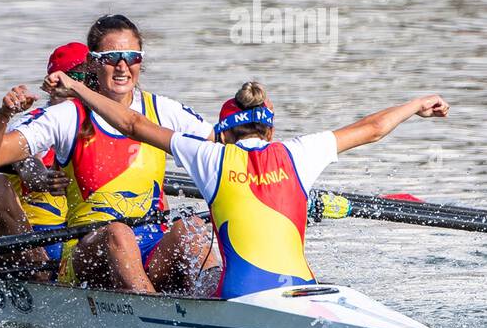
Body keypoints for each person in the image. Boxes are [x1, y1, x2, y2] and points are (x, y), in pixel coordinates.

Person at [47, 74, 450, 297]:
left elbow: (131, 123)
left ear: (223, 133)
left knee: (201, 254)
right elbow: (373, 128)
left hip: (237, 293)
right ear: (271, 127)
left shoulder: (210, 157)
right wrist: (418, 105)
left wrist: (80, 89)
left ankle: (165, 305)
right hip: (300, 290)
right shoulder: (300, 152)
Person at [0, 14, 215, 293]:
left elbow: (222, 146)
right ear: (92, 63)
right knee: (118, 234)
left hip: (150, 247)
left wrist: (254, 129)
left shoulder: (163, 110)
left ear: (140, 61)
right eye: (111, 57)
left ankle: (218, 302)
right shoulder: (66, 115)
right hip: (85, 252)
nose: (122, 66)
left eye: (131, 57)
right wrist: (4, 114)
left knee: (191, 227)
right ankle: (152, 310)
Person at [0, 42, 89, 270]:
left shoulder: (106, 122)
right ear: (53, 84)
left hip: (85, 235)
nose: (82, 86)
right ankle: (37, 279)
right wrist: (41, 177)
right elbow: (25, 160)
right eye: (76, 77)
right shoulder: (31, 121)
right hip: (37, 240)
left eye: (90, 79)